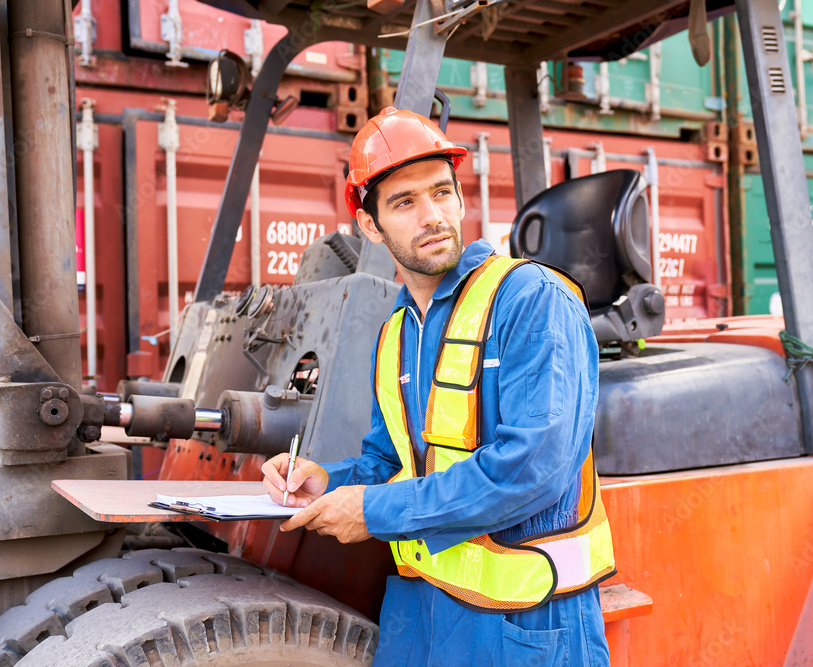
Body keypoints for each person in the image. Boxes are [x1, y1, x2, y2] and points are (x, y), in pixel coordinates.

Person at [262, 106, 615, 666]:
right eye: (405, 202)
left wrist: (374, 511)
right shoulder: (396, 334)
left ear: (461, 198)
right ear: (370, 225)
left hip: (526, 625)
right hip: (421, 619)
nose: (432, 216)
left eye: (441, 193)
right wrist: (326, 480)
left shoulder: (531, 299)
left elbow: (532, 470)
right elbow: (392, 462)